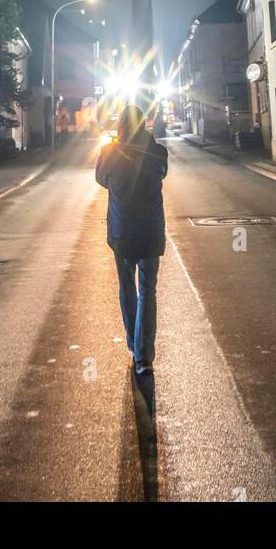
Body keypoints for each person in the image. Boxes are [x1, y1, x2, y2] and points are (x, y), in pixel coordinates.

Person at [95, 104, 168, 375]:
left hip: (121, 231)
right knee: (148, 291)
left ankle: (132, 342)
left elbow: (100, 179)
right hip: (149, 231)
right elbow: (161, 173)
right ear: (144, 125)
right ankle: (143, 356)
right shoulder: (158, 152)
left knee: (127, 286)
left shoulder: (108, 153)